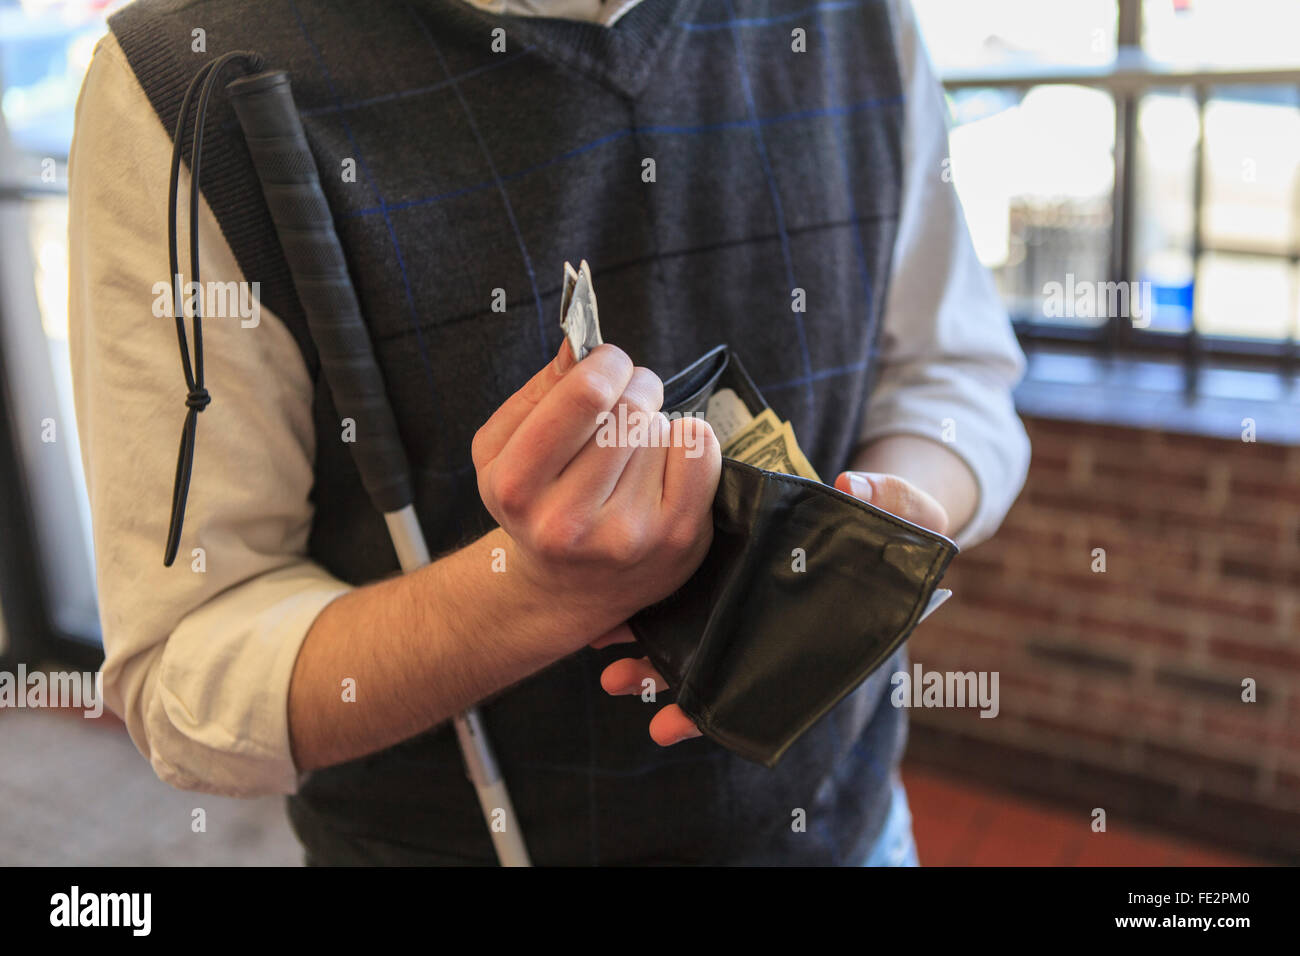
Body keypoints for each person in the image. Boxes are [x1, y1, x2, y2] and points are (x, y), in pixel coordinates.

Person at [69, 0, 1029, 865]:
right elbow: (186, 671)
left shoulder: (862, 19)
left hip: (852, 836)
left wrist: (883, 520)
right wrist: (533, 594)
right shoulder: (182, 83)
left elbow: (954, 375)